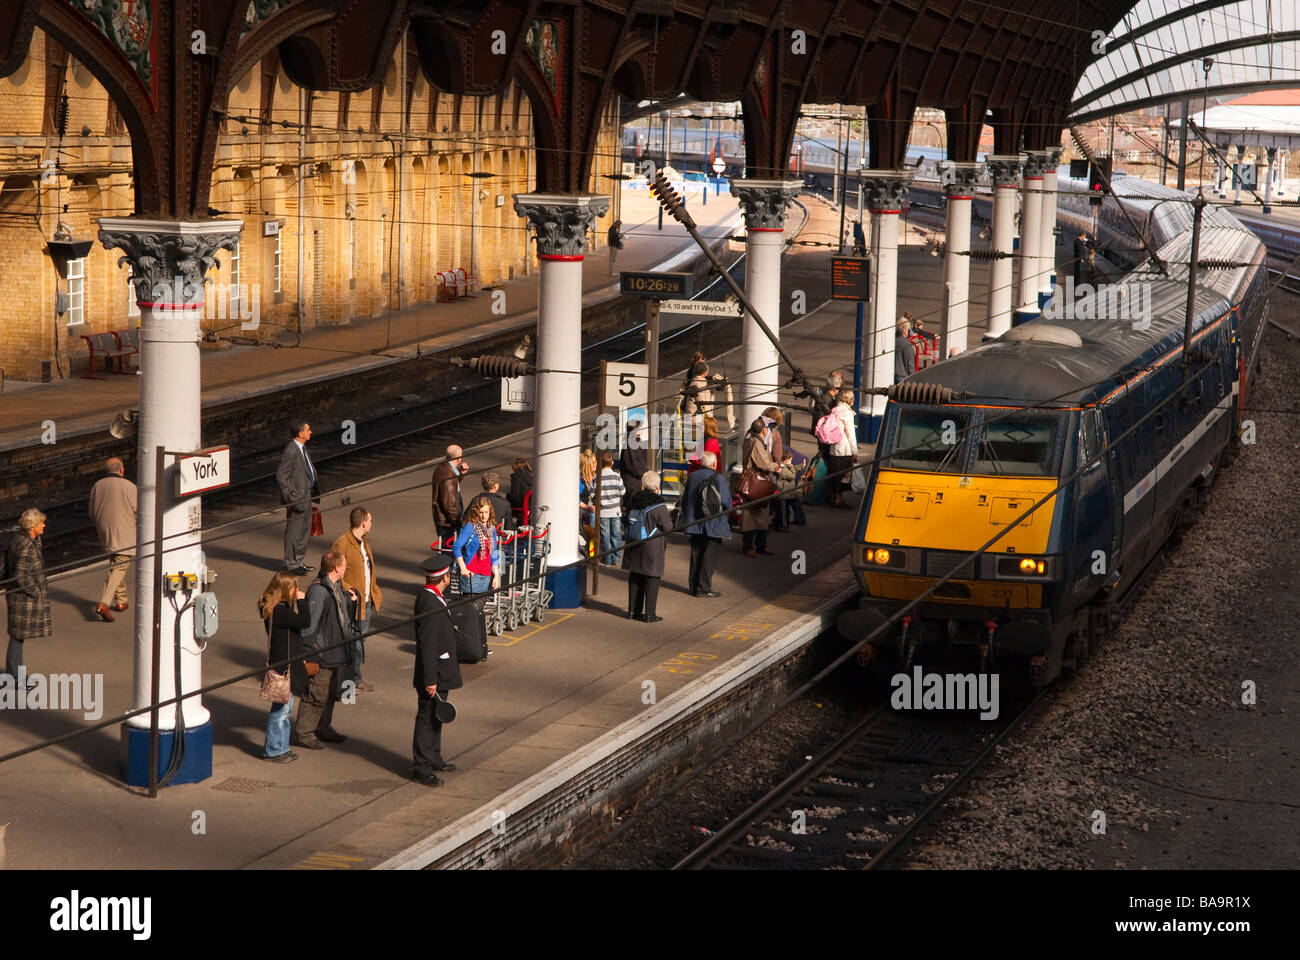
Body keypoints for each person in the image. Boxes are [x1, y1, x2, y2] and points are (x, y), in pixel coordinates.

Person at [293, 551, 355, 750]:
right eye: (345, 565)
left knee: (330, 692)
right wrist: (311, 653)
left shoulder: (335, 587)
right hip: (323, 653)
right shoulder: (319, 592)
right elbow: (309, 626)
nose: (346, 568)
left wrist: (350, 600)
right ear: (337, 568)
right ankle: (305, 733)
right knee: (316, 694)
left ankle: (323, 727)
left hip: (336, 651)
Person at [411, 552, 463, 786]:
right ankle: (421, 767)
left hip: (439, 672)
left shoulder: (431, 597)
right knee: (426, 719)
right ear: (444, 578)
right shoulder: (430, 602)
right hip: (435, 674)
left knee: (436, 716)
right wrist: (430, 679)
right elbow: (428, 644)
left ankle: (434, 757)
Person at [330, 507, 382, 693]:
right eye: (370, 520)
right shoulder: (342, 544)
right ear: (363, 523)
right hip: (353, 603)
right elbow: (331, 571)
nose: (371, 523)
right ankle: (349, 683)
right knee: (353, 642)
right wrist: (347, 590)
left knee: (359, 641)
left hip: (366, 601)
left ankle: (352, 680)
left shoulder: (363, 542)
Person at [259, 570, 309, 763]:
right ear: (287, 589)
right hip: (283, 667)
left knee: (284, 710)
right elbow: (305, 621)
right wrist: (302, 601)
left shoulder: (276, 607)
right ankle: (273, 750)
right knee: (281, 711)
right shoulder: (279, 611)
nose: (297, 590)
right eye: (294, 587)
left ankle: (282, 747)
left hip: (284, 663)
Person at [4, 508, 50, 685]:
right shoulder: (27, 546)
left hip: (17, 597)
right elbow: (21, 575)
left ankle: (14, 675)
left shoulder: (21, 539)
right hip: (23, 600)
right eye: (41, 523)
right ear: (33, 525)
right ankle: (16, 678)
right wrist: (35, 592)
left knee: (18, 637)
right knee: (17, 638)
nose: (44, 525)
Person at [87, 457, 136, 623]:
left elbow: (92, 512)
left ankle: (121, 600)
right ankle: (104, 603)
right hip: (124, 531)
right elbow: (139, 509)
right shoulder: (129, 486)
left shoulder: (97, 485)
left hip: (104, 530)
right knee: (121, 565)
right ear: (122, 469)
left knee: (115, 563)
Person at [679, 451, 731, 597]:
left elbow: (685, 499)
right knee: (709, 557)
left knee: (696, 554)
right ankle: (704, 587)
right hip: (714, 524)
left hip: (694, 523)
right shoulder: (719, 479)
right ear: (714, 464)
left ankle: (693, 585)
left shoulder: (693, 477)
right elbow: (727, 502)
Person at [622, 470, 671, 621]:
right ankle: (649, 614)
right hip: (652, 548)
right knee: (652, 579)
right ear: (657, 487)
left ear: (642, 486)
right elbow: (668, 527)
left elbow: (625, 518)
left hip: (633, 544)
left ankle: (632, 611)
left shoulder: (633, 500)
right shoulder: (659, 505)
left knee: (635, 576)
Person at [276, 420, 317, 574]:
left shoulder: (302, 448)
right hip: (298, 498)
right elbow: (281, 475)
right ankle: (290, 564)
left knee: (304, 531)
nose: (310, 432)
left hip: (306, 496)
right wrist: (289, 497)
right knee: (294, 532)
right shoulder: (291, 450)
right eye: (308, 429)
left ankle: (298, 561)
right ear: (301, 433)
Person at [452, 495, 501, 600]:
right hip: (471, 574)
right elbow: (456, 547)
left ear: (490, 512)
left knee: (479, 608)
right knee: (470, 608)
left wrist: (496, 575)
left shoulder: (492, 529)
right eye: (481, 512)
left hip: (486, 574)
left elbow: (494, 552)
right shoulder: (470, 527)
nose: (484, 516)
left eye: (486, 512)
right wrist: (463, 568)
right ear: (476, 512)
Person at [740, 419, 777, 556]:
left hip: (753, 481)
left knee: (759, 514)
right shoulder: (756, 443)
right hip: (757, 482)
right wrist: (775, 466)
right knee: (754, 515)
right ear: (763, 430)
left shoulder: (749, 439)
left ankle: (759, 545)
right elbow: (764, 464)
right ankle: (751, 546)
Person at [827, 389, 860, 508]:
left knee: (835, 475)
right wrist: (855, 452)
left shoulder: (834, 410)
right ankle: (838, 500)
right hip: (844, 449)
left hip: (833, 448)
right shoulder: (847, 413)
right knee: (842, 476)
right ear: (849, 401)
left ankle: (833, 498)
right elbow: (850, 434)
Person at [431, 444, 468, 545]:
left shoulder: (442, 468)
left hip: (444, 520)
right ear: (458, 458)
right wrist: (457, 522)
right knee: (450, 552)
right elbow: (449, 504)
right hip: (448, 523)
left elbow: (452, 485)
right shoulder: (447, 475)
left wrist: (460, 473)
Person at [597, 451, 625, 565]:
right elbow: (623, 491)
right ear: (612, 463)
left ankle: (606, 560)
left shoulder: (597, 477)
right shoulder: (617, 476)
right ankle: (616, 558)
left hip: (603, 511)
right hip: (615, 511)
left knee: (605, 536)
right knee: (616, 535)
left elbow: (594, 494)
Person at [618, 422, 649, 506]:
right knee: (632, 507)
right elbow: (634, 466)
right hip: (632, 484)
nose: (642, 430)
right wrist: (645, 474)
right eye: (640, 428)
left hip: (638, 482)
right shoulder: (630, 445)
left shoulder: (637, 442)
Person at [508, 457, 533, 525]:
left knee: (504, 505)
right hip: (530, 506)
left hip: (521, 507)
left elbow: (514, 496)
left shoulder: (516, 477)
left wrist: (508, 497)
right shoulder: (532, 477)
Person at [579, 448, 597, 532]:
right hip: (584, 513)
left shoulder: (596, 478)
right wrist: (587, 507)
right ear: (588, 465)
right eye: (594, 462)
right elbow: (575, 500)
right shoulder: (580, 481)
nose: (596, 464)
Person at [895, 319, 917, 383]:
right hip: (901, 377)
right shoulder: (907, 344)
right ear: (906, 332)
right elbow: (910, 365)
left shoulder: (891, 342)